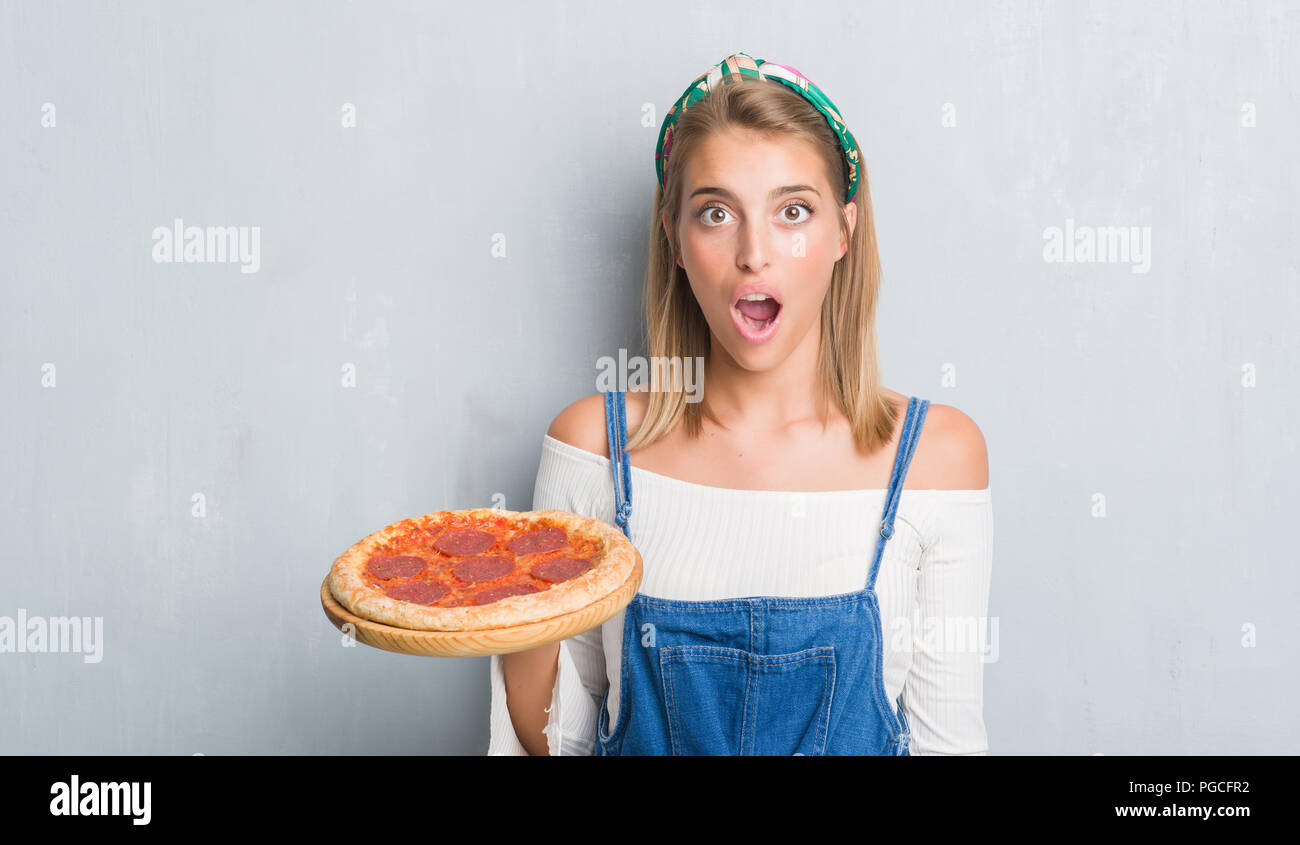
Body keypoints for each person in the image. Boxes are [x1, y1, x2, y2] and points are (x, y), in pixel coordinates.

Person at [490, 52, 992, 756]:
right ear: (676, 240)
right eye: (717, 213)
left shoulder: (938, 455)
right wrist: (505, 612)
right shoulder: (593, 449)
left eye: (793, 210)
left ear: (843, 232)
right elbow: (553, 742)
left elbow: (950, 744)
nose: (755, 252)